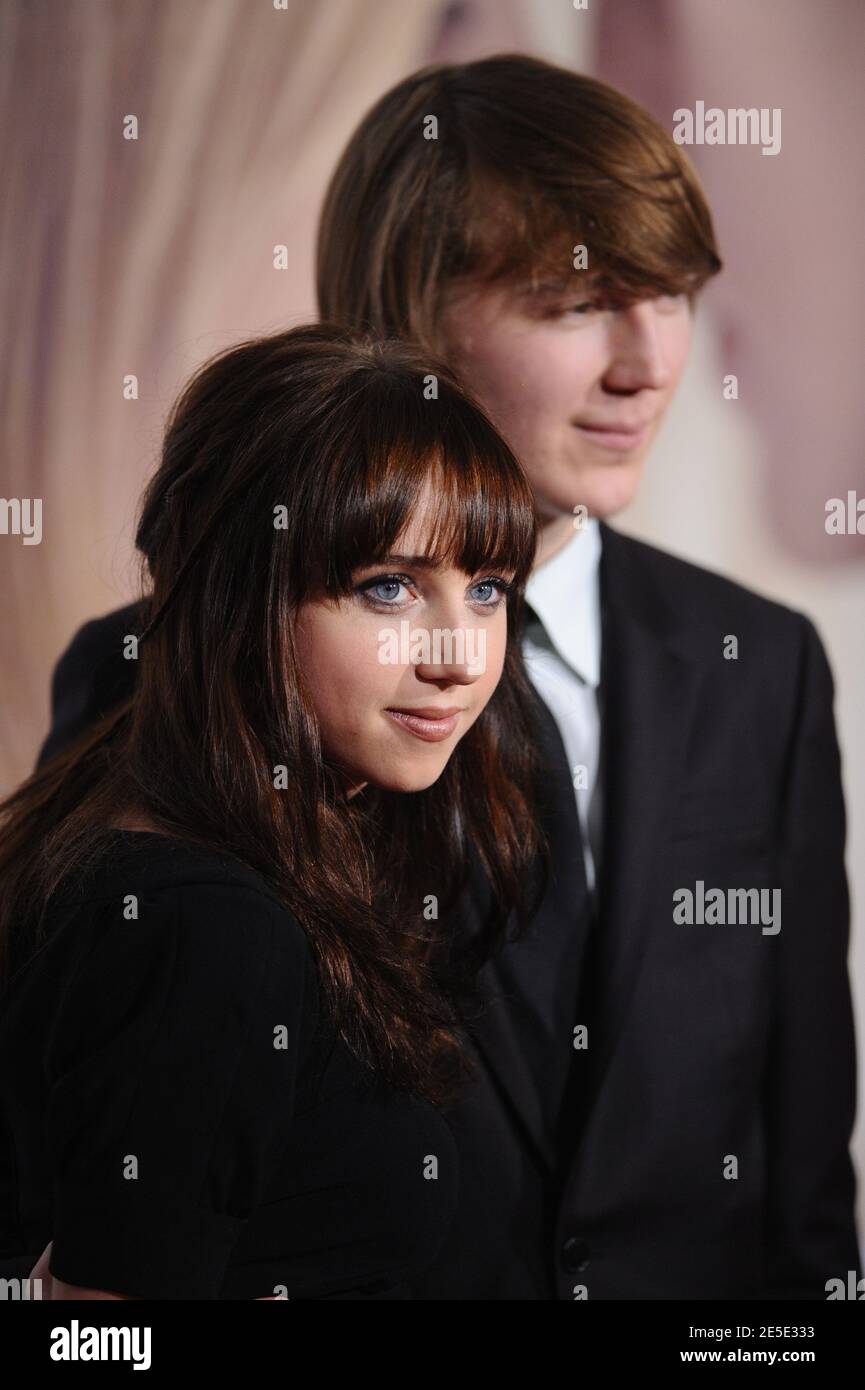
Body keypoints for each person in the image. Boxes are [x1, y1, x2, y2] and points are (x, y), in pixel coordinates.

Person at [33, 54, 859, 1299]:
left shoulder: (760, 668)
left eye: (672, 294)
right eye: (576, 305)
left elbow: (800, 1179)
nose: (647, 364)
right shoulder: (175, 668)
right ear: (407, 317)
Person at [0, 323, 550, 1300]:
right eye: (388, 587)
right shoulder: (204, 929)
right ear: (232, 595)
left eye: (487, 589)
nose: (457, 657)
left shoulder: (228, 829)